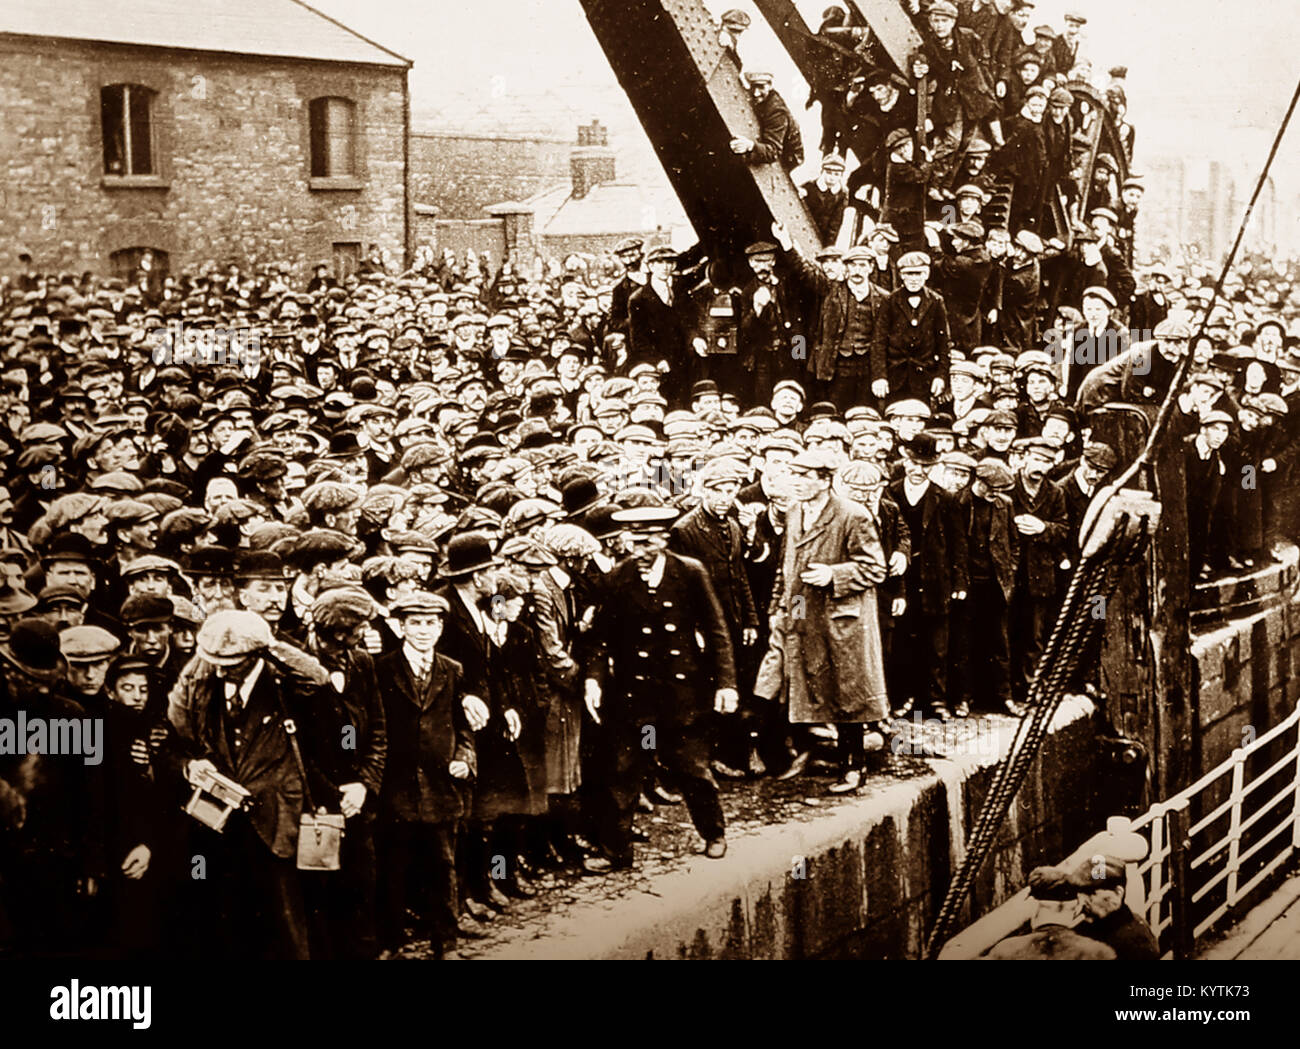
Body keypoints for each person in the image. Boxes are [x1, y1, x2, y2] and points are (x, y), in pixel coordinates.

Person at [582, 506, 738, 867]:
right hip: (635, 698)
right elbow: (599, 640)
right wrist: (593, 679)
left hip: (681, 696)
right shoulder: (616, 579)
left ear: (664, 540)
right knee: (623, 774)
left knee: (692, 770)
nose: (640, 551)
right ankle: (616, 852)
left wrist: (726, 683)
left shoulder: (689, 573)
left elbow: (718, 632)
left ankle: (714, 834)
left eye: (648, 542)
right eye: (633, 543)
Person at [755, 447, 889, 794]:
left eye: (804, 476)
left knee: (848, 692)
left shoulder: (852, 515)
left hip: (842, 617)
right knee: (791, 678)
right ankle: (802, 753)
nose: (796, 482)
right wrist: (777, 608)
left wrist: (834, 574)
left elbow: (875, 567)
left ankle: (853, 768)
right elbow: (787, 567)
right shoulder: (796, 511)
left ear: (825, 480)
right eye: (794, 474)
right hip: (800, 607)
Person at [374, 591, 474, 959]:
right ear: (400, 627)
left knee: (443, 867)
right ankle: (391, 943)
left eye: (430, 623)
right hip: (396, 787)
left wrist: (464, 758)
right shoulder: (381, 669)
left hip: (440, 787)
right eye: (414, 623)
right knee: (393, 869)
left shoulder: (452, 670)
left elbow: (465, 729)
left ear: (441, 627)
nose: (422, 631)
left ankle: (445, 943)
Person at [872, 251, 954, 406]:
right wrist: (879, 376)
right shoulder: (890, 301)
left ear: (927, 274)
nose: (914, 279)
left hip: (924, 377)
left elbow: (944, 343)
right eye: (909, 274)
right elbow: (879, 341)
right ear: (902, 276)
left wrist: (941, 376)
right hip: (894, 377)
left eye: (919, 274)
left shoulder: (936, 301)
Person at [730, 72, 804, 172]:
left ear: (770, 85)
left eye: (761, 87)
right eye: (753, 86)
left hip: (788, 159)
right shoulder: (762, 98)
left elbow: (773, 152)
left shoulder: (777, 112)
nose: (756, 93)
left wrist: (750, 145)